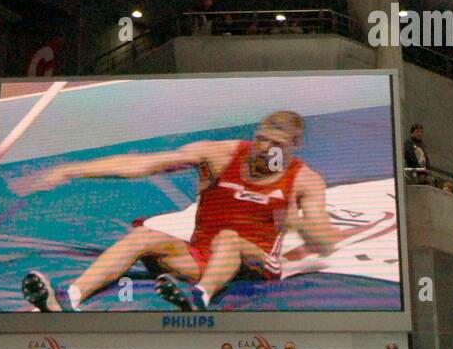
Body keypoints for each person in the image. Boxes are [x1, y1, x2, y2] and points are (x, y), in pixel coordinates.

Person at [17, 110, 335, 313]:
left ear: (295, 143)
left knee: (228, 238)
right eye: (261, 139)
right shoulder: (221, 155)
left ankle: (201, 297)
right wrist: (72, 170)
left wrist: (294, 220)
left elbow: (324, 243)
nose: (264, 149)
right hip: (201, 259)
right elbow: (145, 164)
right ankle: (69, 298)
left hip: (254, 264)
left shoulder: (305, 180)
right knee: (143, 236)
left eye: (275, 144)